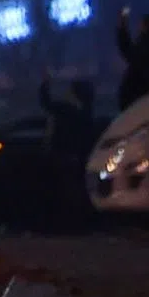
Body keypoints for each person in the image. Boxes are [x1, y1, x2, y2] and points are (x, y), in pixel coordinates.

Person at [39, 77, 97, 231]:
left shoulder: (65, 109)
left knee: (64, 189)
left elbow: (46, 103)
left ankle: (65, 222)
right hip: (75, 156)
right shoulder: (87, 114)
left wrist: (44, 84)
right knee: (75, 188)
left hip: (63, 155)